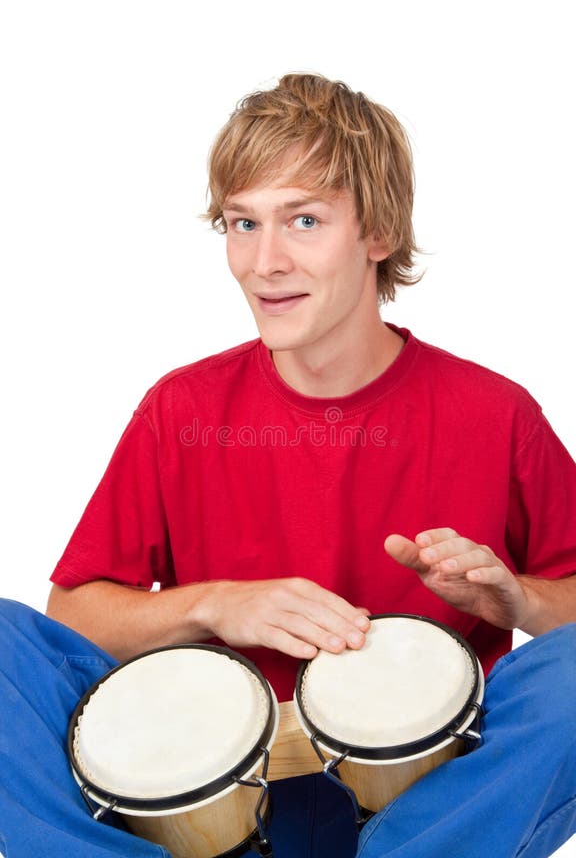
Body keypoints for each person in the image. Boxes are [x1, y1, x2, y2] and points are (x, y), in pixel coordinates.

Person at [1, 73, 575, 858]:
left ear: (377, 232)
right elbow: (71, 618)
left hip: (426, 806)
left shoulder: (494, 413)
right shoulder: (184, 408)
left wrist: (519, 601)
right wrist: (214, 607)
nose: (263, 261)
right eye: (243, 223)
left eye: (303, 220)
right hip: (207, 807)